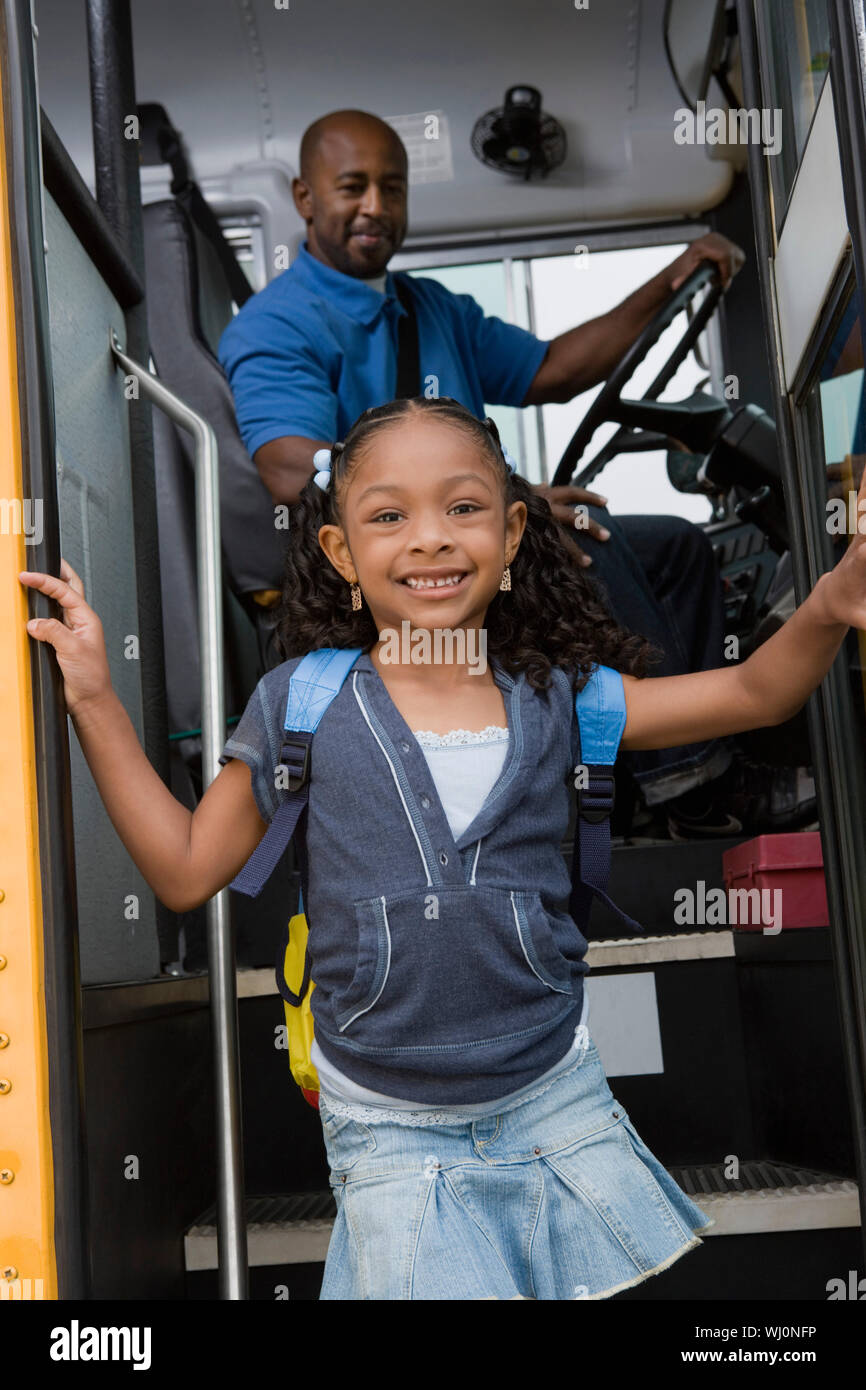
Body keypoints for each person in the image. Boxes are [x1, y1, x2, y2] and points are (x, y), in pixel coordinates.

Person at [19, 395, 866, 1300]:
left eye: (462, 509)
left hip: (555, 1099)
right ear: (341, 554)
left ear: (509, 536)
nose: (430, 538)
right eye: (389, 516)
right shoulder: (300, 704)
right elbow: (186, 870)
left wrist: (829, 601)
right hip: (389, 1125)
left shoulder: (563, 696)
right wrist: (97, 701)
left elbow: (753, 695)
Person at [218, 108, 754, 836]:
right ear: (305, 198)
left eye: (392, 187)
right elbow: (286, 465)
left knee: (678, 549)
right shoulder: (277, 323)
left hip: (483, 540)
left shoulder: (430, 308)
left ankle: (646, 790)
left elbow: (557, 369)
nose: (375, 205)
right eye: (352, 187)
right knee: (586, 545)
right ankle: (687, 789)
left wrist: (669, 279)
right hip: (393, 582)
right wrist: (494, 502)